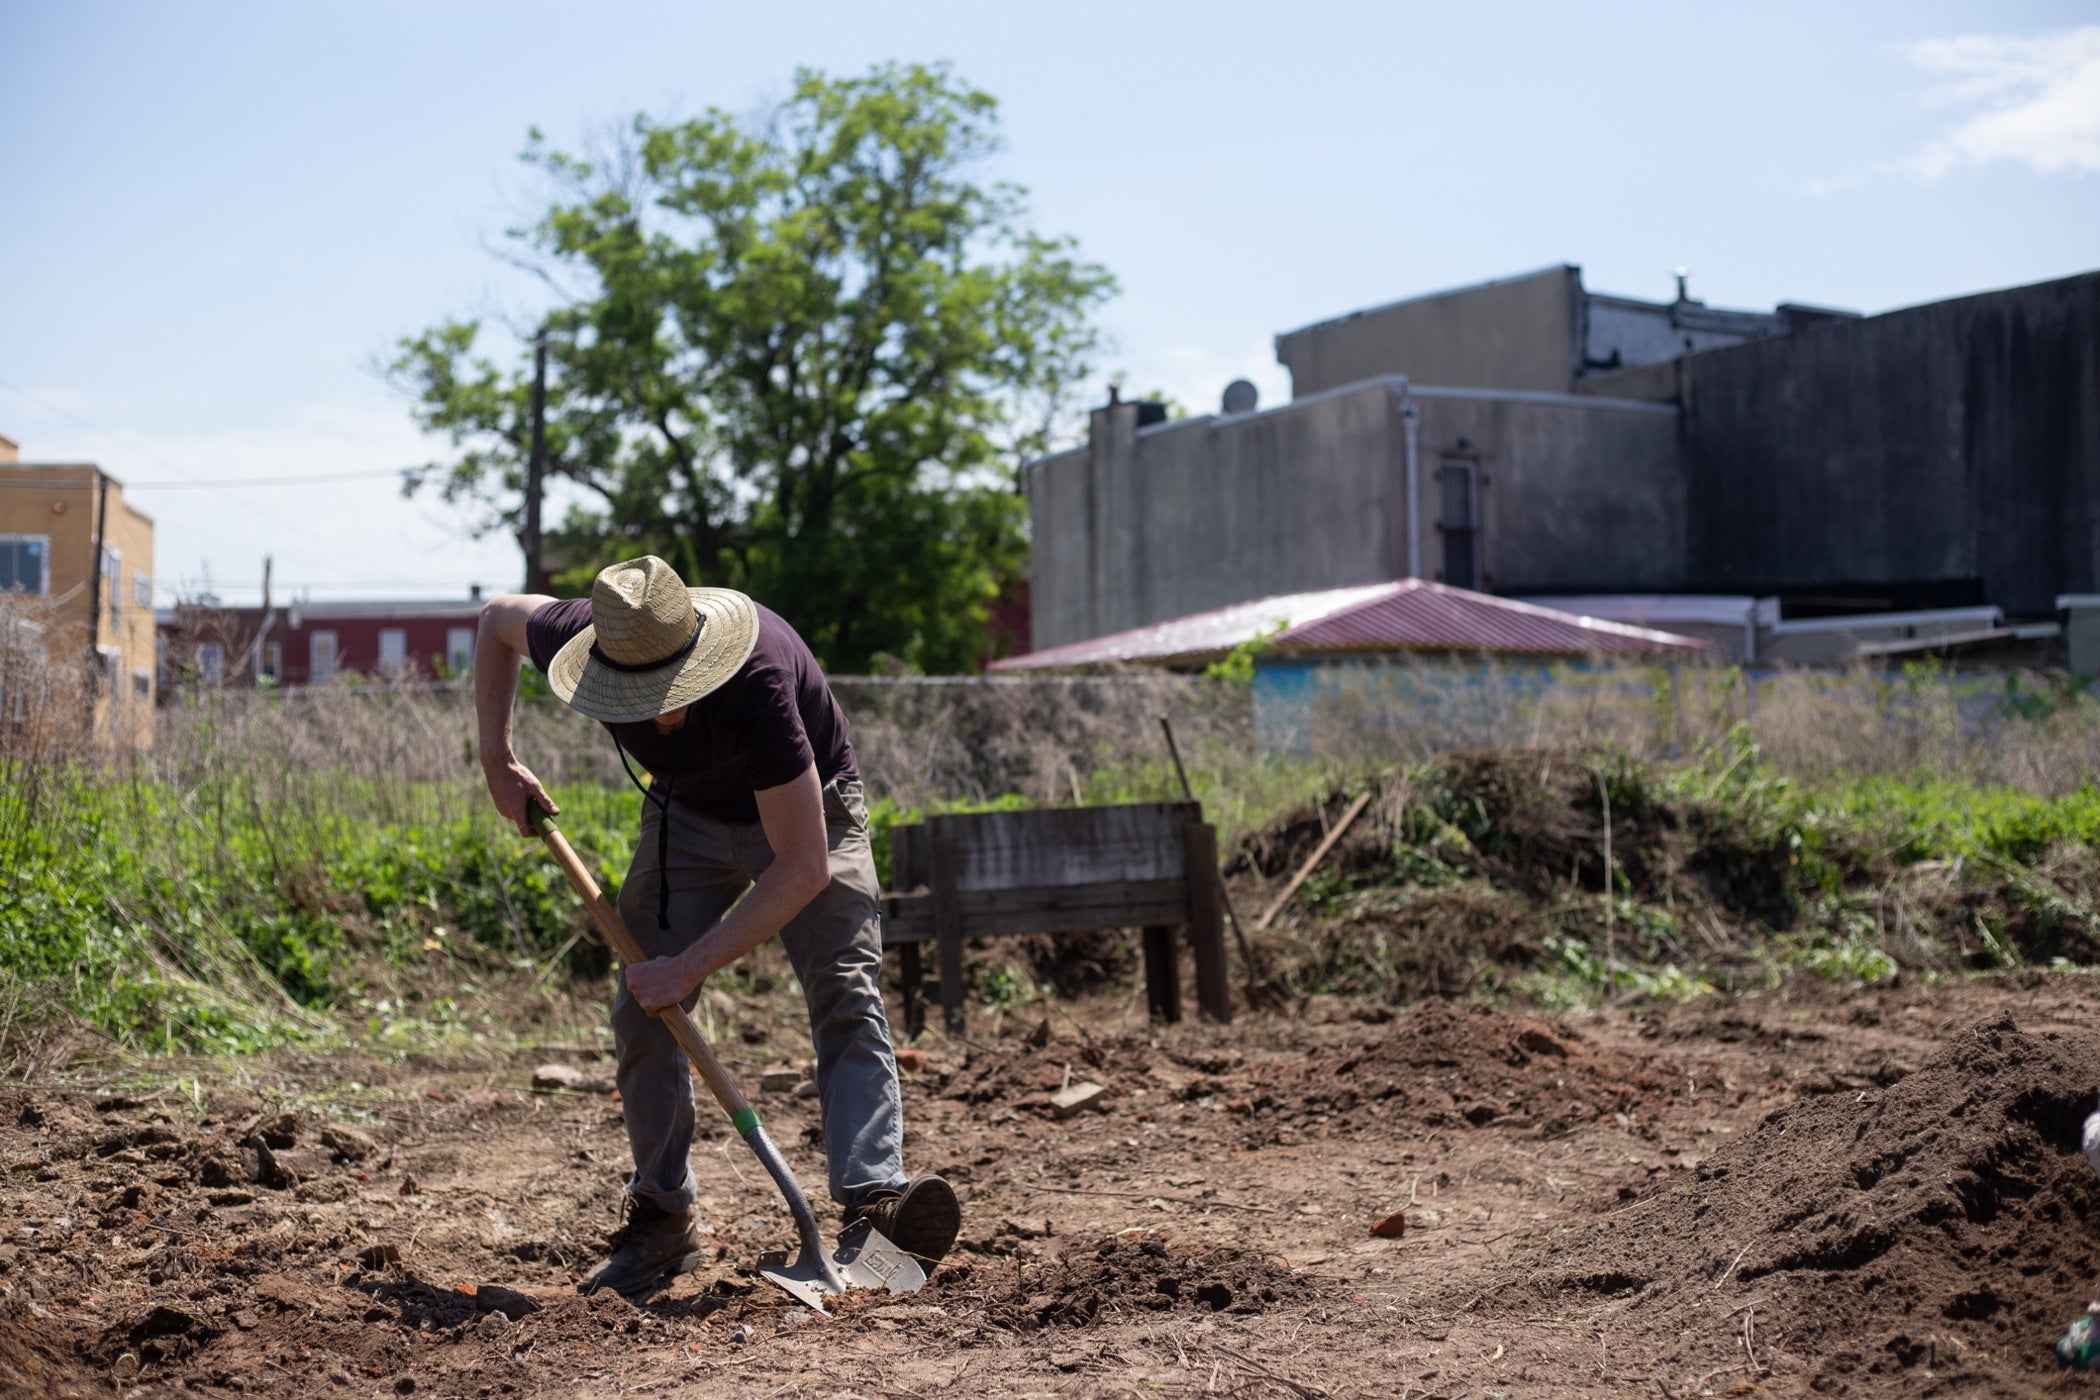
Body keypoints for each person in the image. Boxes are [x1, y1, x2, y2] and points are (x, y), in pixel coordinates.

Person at [474, 554, 959, 1297]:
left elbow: (802, 869)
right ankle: (663, 1219)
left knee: (844, 990)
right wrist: (498, 757)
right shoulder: (588, 628)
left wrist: (691, 965)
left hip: (808, 816)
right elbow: (497, 619)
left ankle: (874, 1206)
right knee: (643, 1011)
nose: (659, 713)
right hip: (688, 815)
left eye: (670, 692)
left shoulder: (757, 682)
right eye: (635, 696)